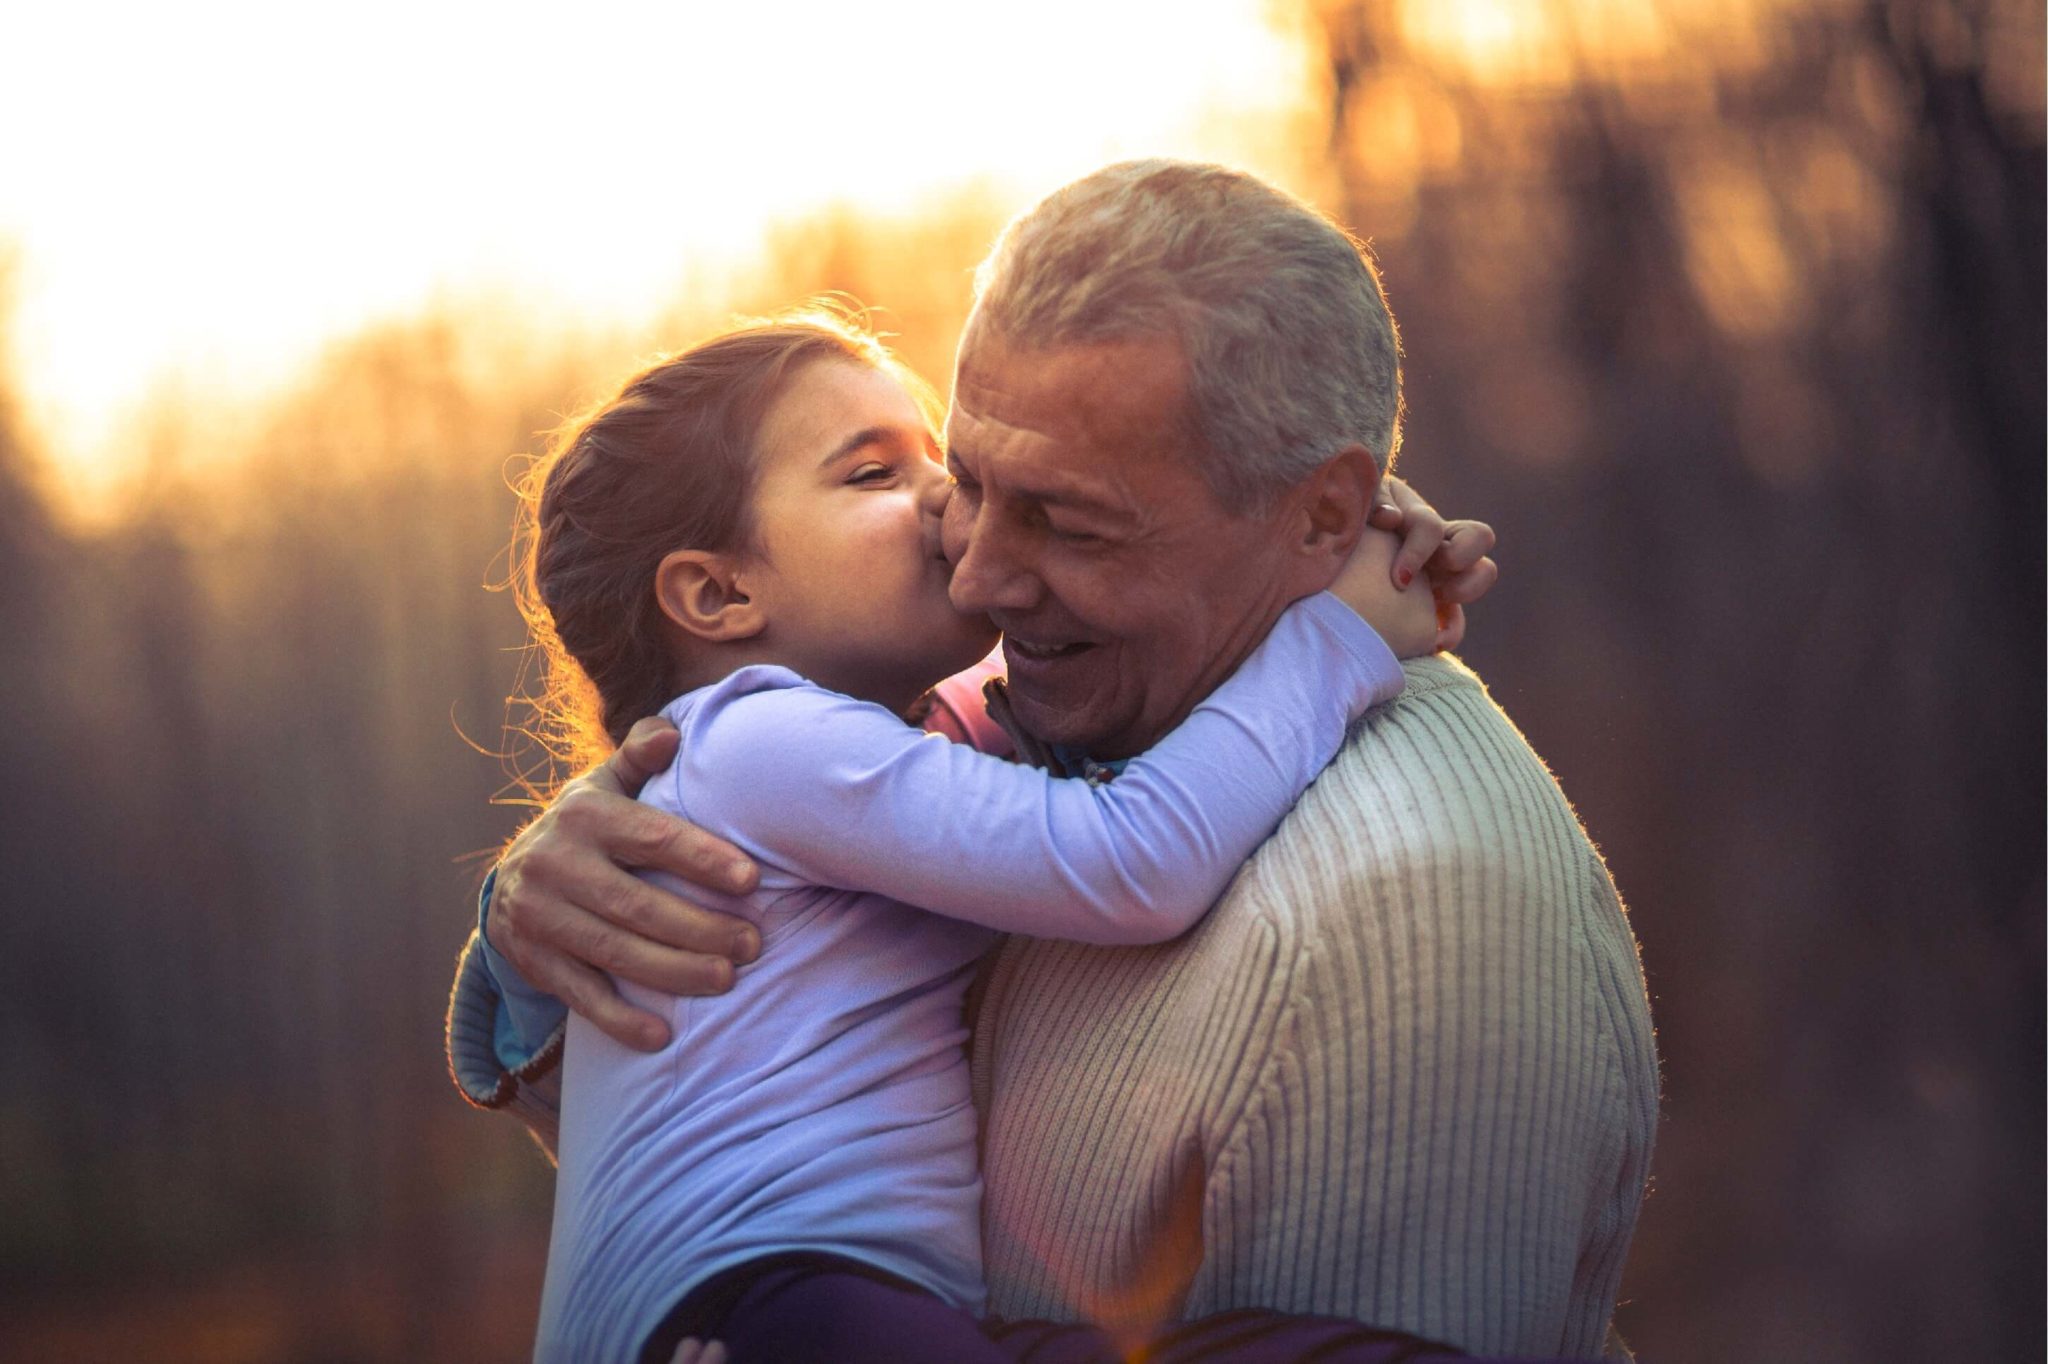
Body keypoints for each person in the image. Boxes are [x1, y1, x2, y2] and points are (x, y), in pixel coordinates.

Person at [450, 160, 1658, 1359]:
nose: (963, 549)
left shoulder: (1413, 924)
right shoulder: (849, 733)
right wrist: (525, 927)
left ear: (1323, 513)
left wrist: (1341, 614)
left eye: (1063, 517)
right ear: (714, 592)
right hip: (773, 1309)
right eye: (945, 476)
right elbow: (667, 1054)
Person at [507, 309, 1442, 1362]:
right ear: (719, 592)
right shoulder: (762, 744)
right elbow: (1126, 860)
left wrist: (1308, 525)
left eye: (934, 460)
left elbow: (1049, 712)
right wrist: (1335, 635)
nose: (947, 499)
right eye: (872, 475)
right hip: (769, 1309)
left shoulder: (815, 750)